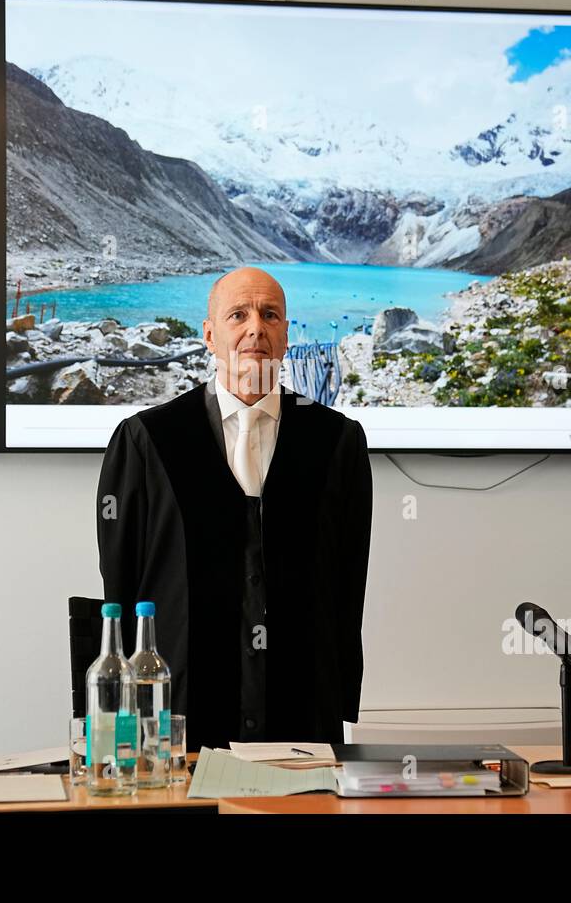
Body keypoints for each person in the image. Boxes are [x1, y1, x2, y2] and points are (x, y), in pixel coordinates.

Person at [96, 266, 373, 749]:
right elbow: (120, 582)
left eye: (270, 315)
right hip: (176, 715)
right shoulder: (148, 441)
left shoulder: (336, 441)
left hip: (303, 713)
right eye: (237, 315)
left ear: (287, 334)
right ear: (208, 335)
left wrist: (342, 691)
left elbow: (349, 585)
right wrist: (124, 706)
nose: (255, 330)